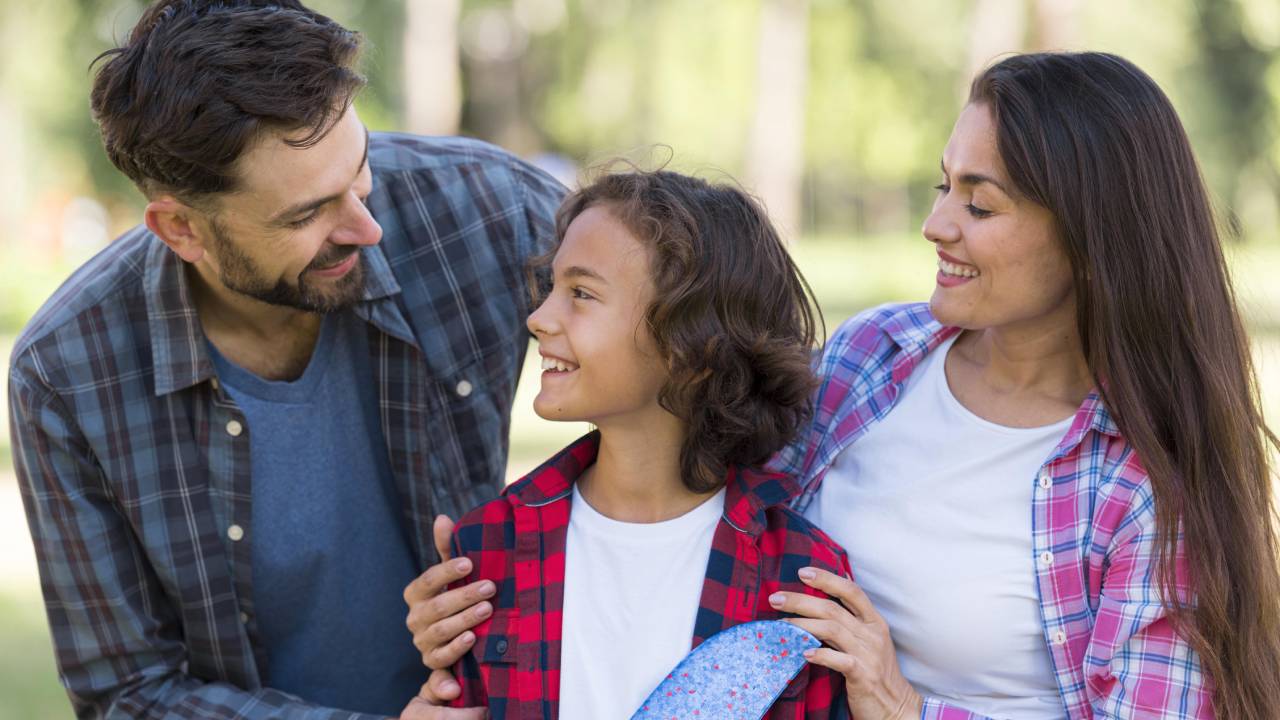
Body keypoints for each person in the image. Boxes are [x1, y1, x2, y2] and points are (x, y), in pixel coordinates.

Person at [406, 52, 1280, 719]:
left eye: (981, 204)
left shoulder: (1143, 492)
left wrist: (906, 706)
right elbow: (688, 483)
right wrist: (503, 583)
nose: (937, 224)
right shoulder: (878, 357)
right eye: (944, 187)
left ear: (1093, 235)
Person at [6, 1, 562, 717]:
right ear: (181, 228)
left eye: (360, 171)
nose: (368, 226)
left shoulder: (490, 209)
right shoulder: (66, 374)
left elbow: (710, 342)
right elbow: (129, 693)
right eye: (306, 215)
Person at [442, 169, 852, 718]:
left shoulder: (801, 579)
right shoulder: (486, 548)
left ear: (691, 348)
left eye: (581, 294)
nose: (538, 319)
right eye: (551, 289)